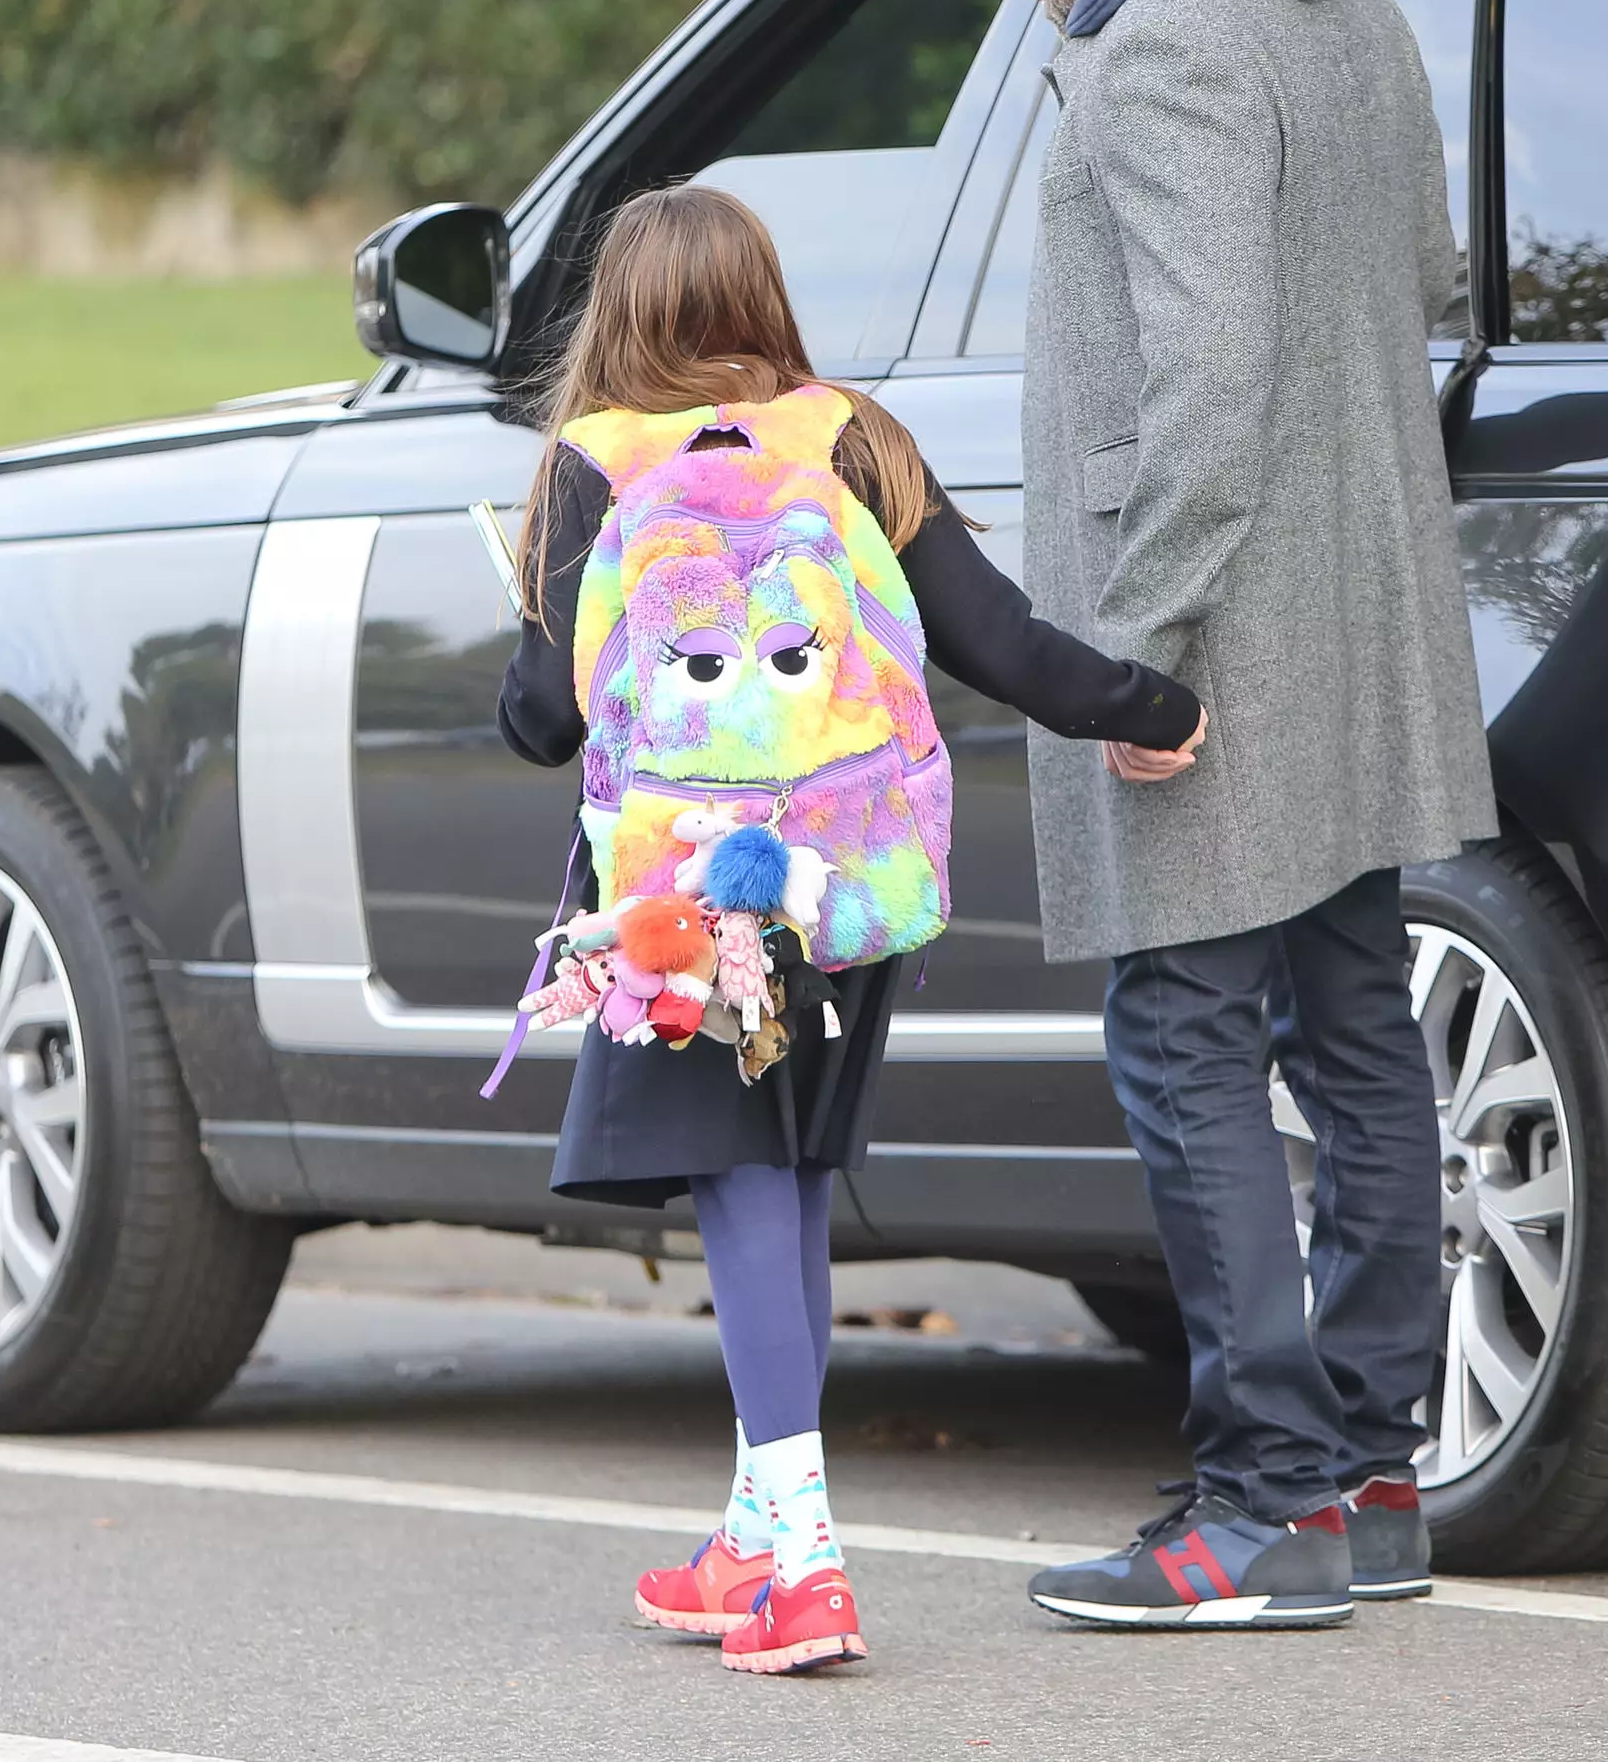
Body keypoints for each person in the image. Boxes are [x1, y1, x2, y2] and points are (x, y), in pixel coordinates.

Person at [938, 0, 1498, 1628]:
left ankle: (1258, 1508)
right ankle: (1367, 1477)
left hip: (1216, 646)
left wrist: (1135, 661)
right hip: (1360, 620)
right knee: (1353, 1037)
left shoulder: (1159, 42)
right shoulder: (1351, 14)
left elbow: (1206, 373)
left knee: (1184, 1042)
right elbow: (1424, 274)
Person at [497, 182, 1204, 1673]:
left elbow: (546, 719)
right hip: (845, 883)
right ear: (762, 296)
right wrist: (1148, 707)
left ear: (617, 313)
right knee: (793, 1176)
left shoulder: (595, 460)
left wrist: (528, 645)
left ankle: (805, 1563)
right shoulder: (849, 435)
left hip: (687, 901)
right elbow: (996, 637)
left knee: (743, 1185)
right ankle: (755, 1527)